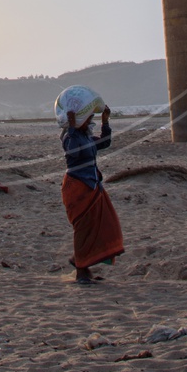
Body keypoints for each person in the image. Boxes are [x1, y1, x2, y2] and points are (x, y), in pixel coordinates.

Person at [61, 103, 124, 284]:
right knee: (83, 228)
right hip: (77, 186)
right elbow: (73, 153)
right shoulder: (70, 137)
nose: (90, 121)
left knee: (102, 225)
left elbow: (105, 142)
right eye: (87, 118)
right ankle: (81, 269)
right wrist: (72, 128)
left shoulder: (86, 137)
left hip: (92, 183)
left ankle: (81, 262)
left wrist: (105, 121)